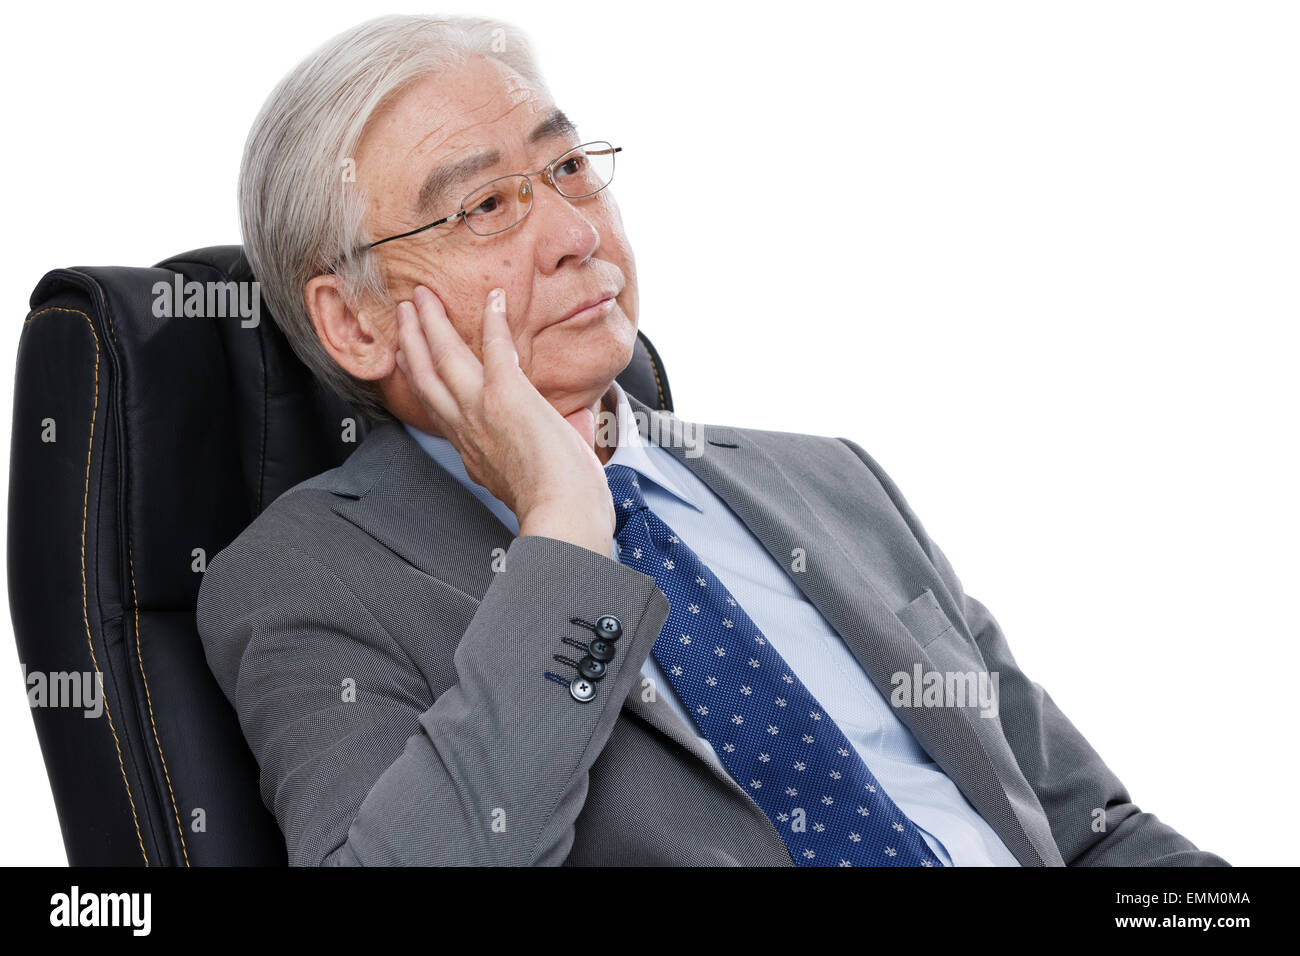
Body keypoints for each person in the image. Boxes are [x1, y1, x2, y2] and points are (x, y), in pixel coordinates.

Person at [196, 13, 1227, 866]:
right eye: (486, 205)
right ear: (355, 323)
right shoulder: (307, 577)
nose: (574, 233)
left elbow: (1091, 835)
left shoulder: (828, 477)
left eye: (567, 169)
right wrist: (564, 534)